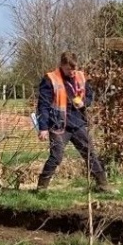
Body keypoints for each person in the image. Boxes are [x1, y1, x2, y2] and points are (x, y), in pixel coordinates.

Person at [35, 53, 114, 193]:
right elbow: (43, 105)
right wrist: (43, 128)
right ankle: (41, 188)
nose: (71, 73)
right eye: (68, 70)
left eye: (73, 69)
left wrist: (84, 102)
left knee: (89, 153)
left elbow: (90, 95)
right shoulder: (50, 79)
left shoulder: (81, 76)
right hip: (58, 125)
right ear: (62, 65)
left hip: (78, 123)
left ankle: (103, 185)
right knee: (56, 156)